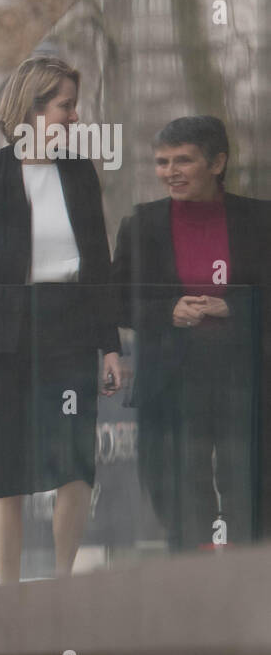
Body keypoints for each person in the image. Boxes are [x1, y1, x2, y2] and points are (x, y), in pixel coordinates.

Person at [0, 56, 122, 584]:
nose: (74, 117)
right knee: (8, 467)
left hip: (73, 328)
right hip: (7, 335)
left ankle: (61, 582)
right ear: (32, 110)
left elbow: (98, 264)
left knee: (76, 460)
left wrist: (109, 344)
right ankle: (7, 591)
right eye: (65, 106)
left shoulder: (79, 173)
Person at [111, 116, 271, 550]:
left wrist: (234, 306)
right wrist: (168, 311)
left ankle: (249, 582)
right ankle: (192, 592)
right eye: (162, 162)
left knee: (250, 488)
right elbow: (115, 301)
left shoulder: (260, 220)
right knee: (181, 492)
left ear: (217, 162)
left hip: (247, 376)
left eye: (183, 160)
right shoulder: (141, 225)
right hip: (172, 378)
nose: (170, 172)